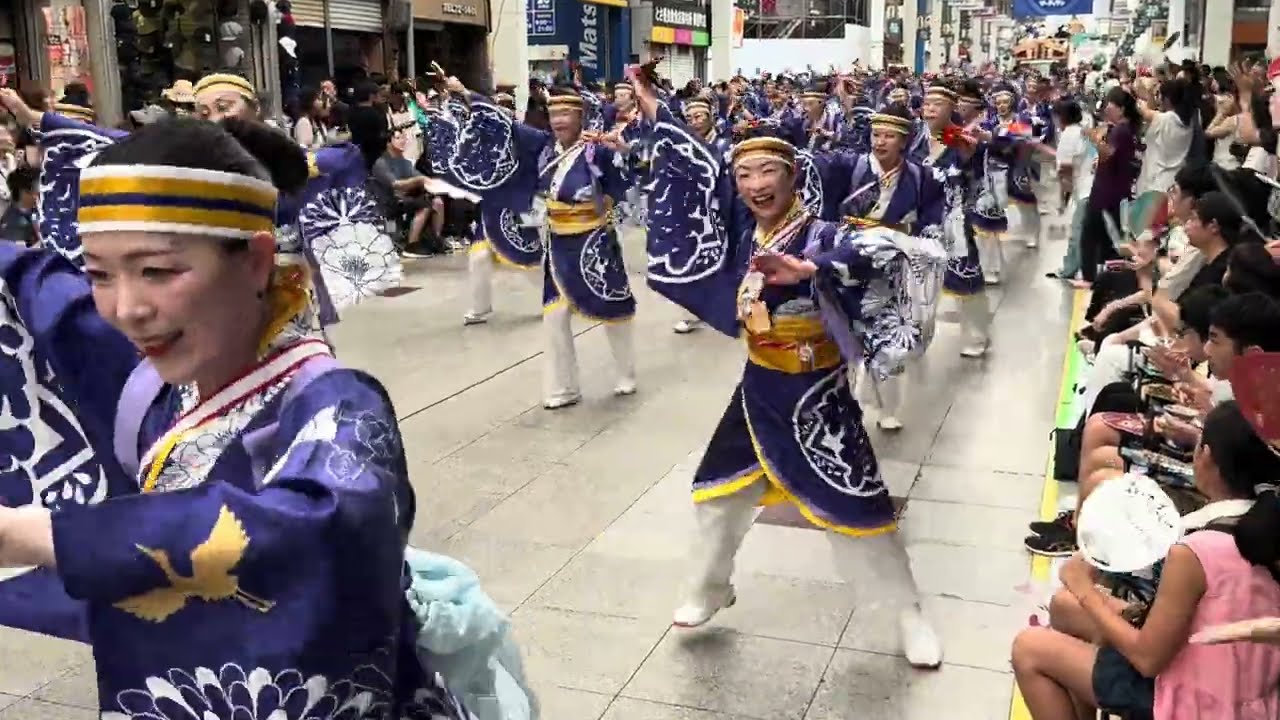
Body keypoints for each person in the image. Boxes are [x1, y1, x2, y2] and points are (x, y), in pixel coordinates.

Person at [0, 117, 473, 719]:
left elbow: (322, 523)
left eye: (158, 271)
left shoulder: (335, 402)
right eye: (99, 273)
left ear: (255, 261)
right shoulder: (162, 382)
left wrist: (24, 534)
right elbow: (51, 298)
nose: (126, 308)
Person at [632, 68, 947, 668]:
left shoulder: (824, 233)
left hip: (818, 392)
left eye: (767, 171)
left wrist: (813, 271)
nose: (755, 183)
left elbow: (900, 255)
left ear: (793, 175)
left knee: (857, 508)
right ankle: (708, 587)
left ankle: (908, 615)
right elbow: (688, 175)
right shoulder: (733, 236)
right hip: (758, 387)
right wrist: (657, 113)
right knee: (719, 498)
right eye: (744, 173)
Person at [1012, 400, 1280, 720]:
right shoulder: (1265, 528)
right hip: (1251, 696)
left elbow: (1147, 658)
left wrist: (1084, 587)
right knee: (1065, 609)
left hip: (1191, 703)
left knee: (1029, 649)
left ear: (1205, 455)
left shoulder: (1197, 552)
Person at [1080, 87, 1141, 286]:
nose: (1107, 108)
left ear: (1122, 109)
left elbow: (1108, 154)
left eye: (1110, 105)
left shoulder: (1120, 130)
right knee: (1108, 237)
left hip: (1105, 191)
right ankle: (1109, 276)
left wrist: (1094, 138)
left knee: (1089, 234)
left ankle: (1089, 277)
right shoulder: (1126, 129)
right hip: (1115, 189)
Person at [372, 129, 447, 257]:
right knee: (425, 204)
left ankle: (436, 239)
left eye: (404, 138)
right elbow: (396, 185)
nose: (403, 141)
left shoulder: (405, 162)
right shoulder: (381, 163)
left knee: (437, 201)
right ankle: (412, 245)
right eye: (398, 138)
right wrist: (419, 180)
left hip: (406, 198)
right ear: (388, 143)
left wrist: (434, 183)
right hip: (389, 202)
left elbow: (420, 178)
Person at [0, 166, 38, 247]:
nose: (38, 196)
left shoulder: (31, 211)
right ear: (25, 192)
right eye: (36, 191)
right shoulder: (15, 226)